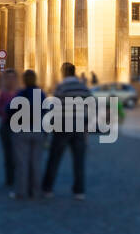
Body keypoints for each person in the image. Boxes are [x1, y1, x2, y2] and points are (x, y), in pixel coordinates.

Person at [41, 63, 92, 200]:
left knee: (54, 158)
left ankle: (48, 188)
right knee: (79, 160)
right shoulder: (83, 88)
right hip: (79, 126)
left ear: (63, 72)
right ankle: (79, 191)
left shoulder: (61, 87)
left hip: (63, 126)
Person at [10, 69, 45, 199]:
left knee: (22, 163)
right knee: (36, 163)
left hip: (22, 130)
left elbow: (9, 108)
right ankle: (36, 191)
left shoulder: (21, 93)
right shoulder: (41, 94)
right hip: (37, 130)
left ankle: (21, 191)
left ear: (24, 80)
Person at [0, 69, 19, 187]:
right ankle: (10, 179)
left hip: (19, 126)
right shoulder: (3, 94)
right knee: (8, 154)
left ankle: (19, 177)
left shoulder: (20, 93)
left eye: (12, 78)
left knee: (18, 154)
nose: (10, 80)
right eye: (8, 78)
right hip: (6, 126)